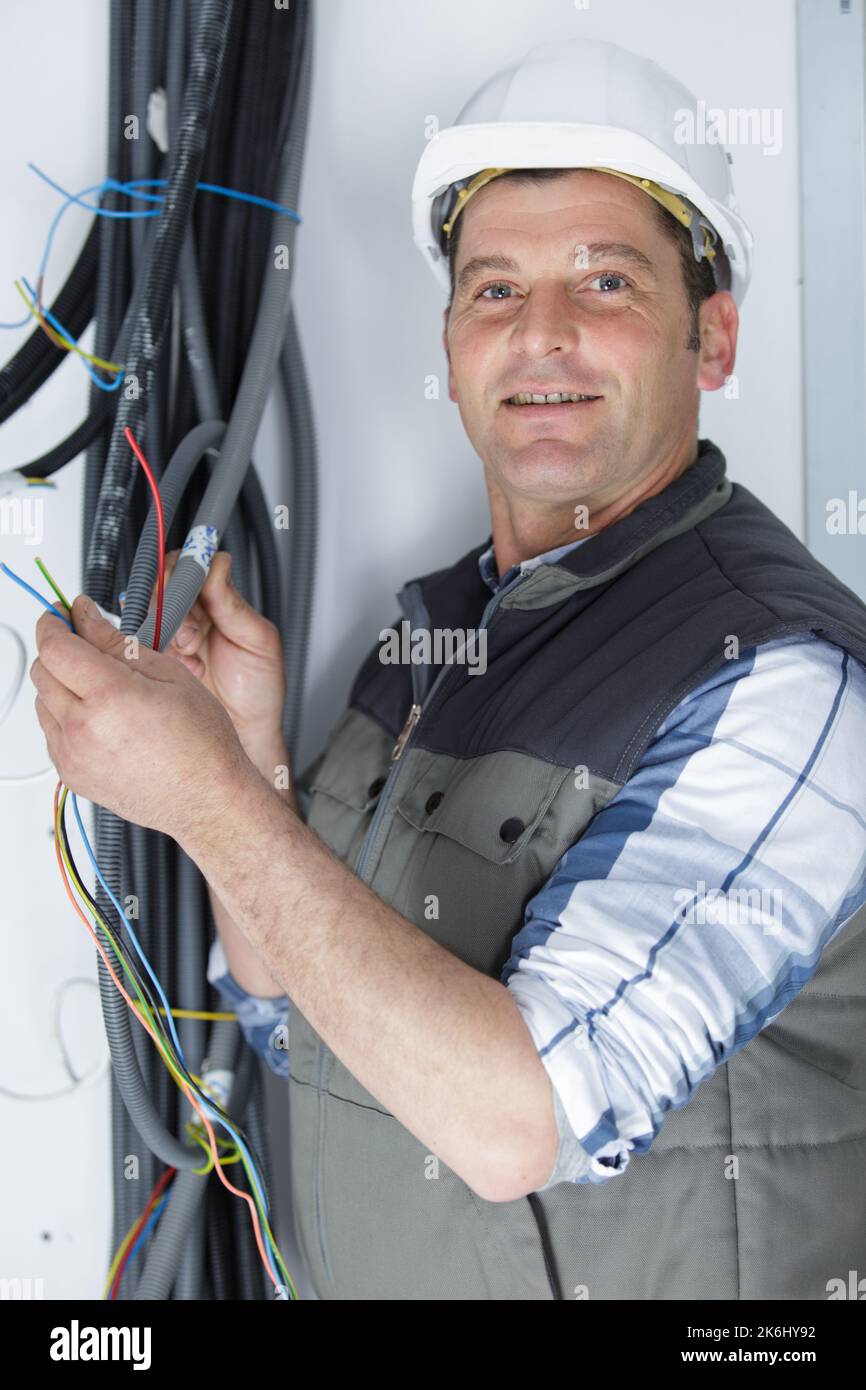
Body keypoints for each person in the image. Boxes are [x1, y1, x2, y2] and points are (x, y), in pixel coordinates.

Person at [32, 38, 866, 1300]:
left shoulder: (783, 679)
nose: (540, 336)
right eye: (493, 290)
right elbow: (292, 1017)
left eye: (604, 283)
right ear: (451, 338)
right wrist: (245, 767)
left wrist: (205, 797)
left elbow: (521, 1119)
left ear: (712, 338)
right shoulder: (430, 634)